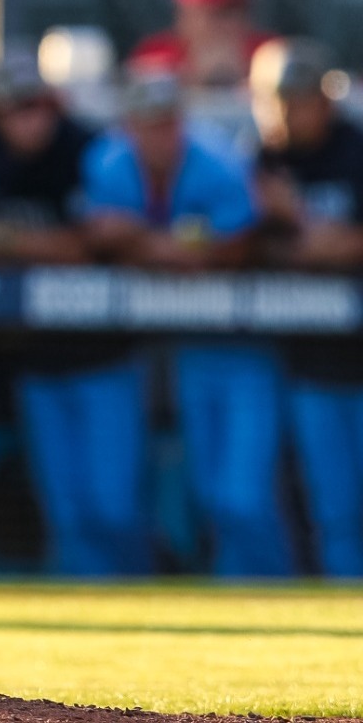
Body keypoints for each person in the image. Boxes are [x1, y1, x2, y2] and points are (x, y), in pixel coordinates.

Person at [81, 70, 293, 577]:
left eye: (168, 122)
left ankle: (278, 595)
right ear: (131, 125)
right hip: (187, 347)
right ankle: (235, 603)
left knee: (243, 497)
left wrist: (148, 244)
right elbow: (101, 236)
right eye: (148, 123)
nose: (160, 134)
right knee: (209, 497)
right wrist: (172, 249)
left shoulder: (217, 162)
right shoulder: (109, 160)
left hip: (246, 345)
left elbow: (236, 248)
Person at [0, 54, 148, 576]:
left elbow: (110, 237)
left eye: (41, 107)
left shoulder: (89, 148)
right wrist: (51, 244)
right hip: (34, 361)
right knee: (67, 512)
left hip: (105, 355)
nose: (33, 119)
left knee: (114, 507)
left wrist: (15, 242)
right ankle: (96, 621)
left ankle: (139, 603)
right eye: (19, 109)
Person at [248, 39, 363, 576]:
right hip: (311, 363)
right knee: (335, 509)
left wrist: (302, 221)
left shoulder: (354, 149)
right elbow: (245, 247)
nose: (288, 110)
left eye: (299, 97)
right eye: (277, 98)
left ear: (325, 99)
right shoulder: (263, 157)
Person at [129, 0, 275, 89]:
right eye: (215, 12)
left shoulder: (269, 54)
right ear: (185, 15)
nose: (225, 23)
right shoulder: (155, 56)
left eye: (236, 11)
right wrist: (189, 80)